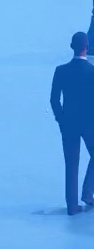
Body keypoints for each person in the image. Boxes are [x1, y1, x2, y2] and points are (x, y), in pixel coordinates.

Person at [52, 32, 94, 213]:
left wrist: (62, 121)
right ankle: (87, 192)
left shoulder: (61, 70)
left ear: (72, 46)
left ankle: (72, 205)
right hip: (89, 124)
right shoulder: (92, 72)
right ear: (87, 47)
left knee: (71, 163)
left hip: (68, 124)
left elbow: (54, 100)